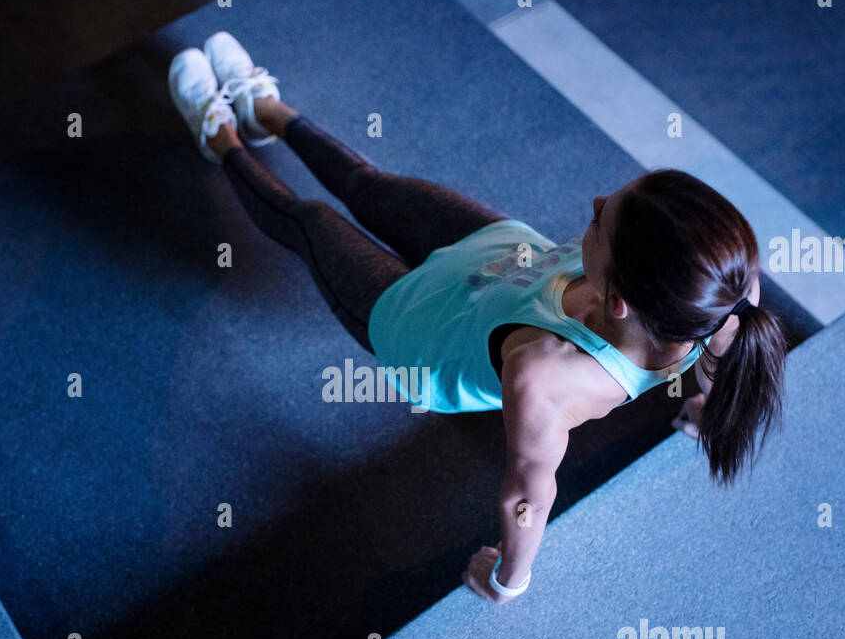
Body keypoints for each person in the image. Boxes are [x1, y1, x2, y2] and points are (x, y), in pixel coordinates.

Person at [170, 33, 787, 605]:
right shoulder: (729, 290)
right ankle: (266, 109)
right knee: (368, 183)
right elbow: (730, 360)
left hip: (421, 328)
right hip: (505, 257)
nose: (595, 203)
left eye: (602, 222)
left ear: (619, 298)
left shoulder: (546, 380)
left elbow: (528, 493)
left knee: (311, 222)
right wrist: (707, 410)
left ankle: (220, 134)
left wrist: (508, 578)